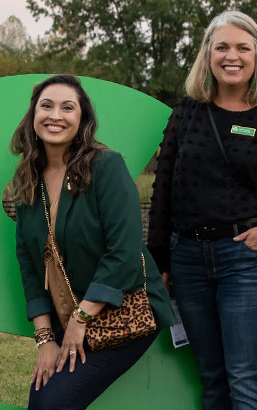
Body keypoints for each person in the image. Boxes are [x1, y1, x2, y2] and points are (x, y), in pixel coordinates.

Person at [145, 10, 257, 410]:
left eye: (242, 47)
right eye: (222, 47)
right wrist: (160, 262)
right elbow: (164, 191)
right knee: (213, 379)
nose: (231, 55)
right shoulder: (186, 114)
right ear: (208, 55)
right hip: (188, 263)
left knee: (246, 378)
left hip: (248, 261)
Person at [10, 74, 176, 409]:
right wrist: (45, 338)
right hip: (67, 316)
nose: (55, 115)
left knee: (54, 404)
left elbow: (125, 252)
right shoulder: (27, 176)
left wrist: (80, 319)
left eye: (67, 107)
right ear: (33, 116)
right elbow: (29, 262)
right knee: (40, 403)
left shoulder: (105, 166)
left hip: (123, 311)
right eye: (47, 106)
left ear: (82, 119)